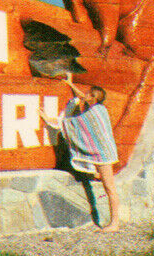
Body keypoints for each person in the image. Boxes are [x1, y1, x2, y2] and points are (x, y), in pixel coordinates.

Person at [40, 73, 123, 232]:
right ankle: (95, 174)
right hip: (105, 152)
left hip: (104, 155)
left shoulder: (92, 114)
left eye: (90, 94)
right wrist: (71, 84)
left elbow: (67, 124)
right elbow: (82, 96)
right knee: (106, 184)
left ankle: (115, 223)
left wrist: (46, 118)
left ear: (94, 99)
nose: (86, 95)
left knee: (109, 188)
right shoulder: (99, 107)